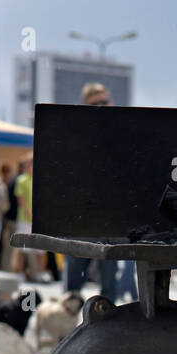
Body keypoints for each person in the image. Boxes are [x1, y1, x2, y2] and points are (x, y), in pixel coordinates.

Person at [64, 83, 119, 302]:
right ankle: (68, 331)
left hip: (111, 217)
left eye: (104, 102)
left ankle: (111, 332)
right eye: (95, 104)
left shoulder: (119, 131)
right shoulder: (78, 133)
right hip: (82, 216)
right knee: (74, 284)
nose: (101, 107)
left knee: (109, 283)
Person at [10, 155, 43, 280]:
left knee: (41, 249)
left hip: (37, 221)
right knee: (22, 248)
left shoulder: (40, 180)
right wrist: (31, 216)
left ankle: (39, 273)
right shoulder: (22, 179)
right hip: (25, 220)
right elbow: (21, 201)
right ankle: (20, 273)